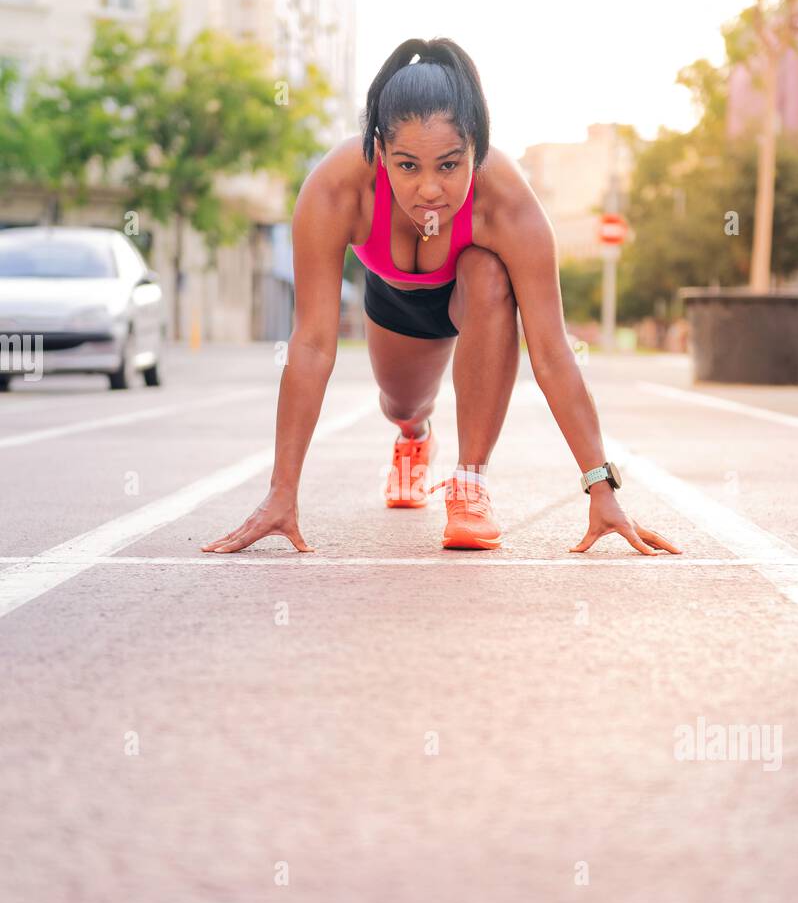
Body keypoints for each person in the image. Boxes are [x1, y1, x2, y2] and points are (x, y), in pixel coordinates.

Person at [201, 37, 681, 556]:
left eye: (449, 166)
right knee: (403, 406)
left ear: (476, 148)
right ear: (379, 150)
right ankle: (413, 438)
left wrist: (600, 485)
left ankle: (470, 485)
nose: (430, 189)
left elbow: (552, 350)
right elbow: (313, 343)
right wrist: (281, 493)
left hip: (472, 298)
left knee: (489, 273)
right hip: (393, 300)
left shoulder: (507, 203)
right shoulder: (336, 190)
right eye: (408, 166)